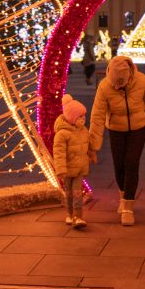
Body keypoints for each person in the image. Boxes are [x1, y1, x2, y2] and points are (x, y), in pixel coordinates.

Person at [90, 55, 145, 226]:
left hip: (139, 128)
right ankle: (123, 195)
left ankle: (128, 208)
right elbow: (97, 116)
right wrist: (93, 145)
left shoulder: (142, 81)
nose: (118, 86)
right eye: (115, 83)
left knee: (131, 163)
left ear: (129, 75)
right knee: (119, 165)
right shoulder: (104, 86)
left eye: (121, 83)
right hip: (116, 129)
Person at [52, 94, 96, 228]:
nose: (83, 119)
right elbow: (58, 153)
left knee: (77, 193)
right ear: (72, 118)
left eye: (84, 116)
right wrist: (60, 169)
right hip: (67, 170)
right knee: (69, 193)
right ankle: (70, 214)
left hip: (79, 169)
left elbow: (88, 144)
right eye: (80, 117)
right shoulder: (62, 134)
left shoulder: (83, 131)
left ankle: (78, 216)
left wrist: (91, 154)